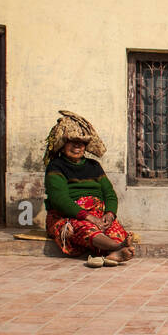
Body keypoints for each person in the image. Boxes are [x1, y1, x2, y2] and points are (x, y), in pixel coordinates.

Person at [42, 110, 136, 267]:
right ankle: (117, 247)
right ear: (63, 145)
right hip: (70, 216)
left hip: (98, 214)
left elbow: (109, 194)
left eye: (81, 143)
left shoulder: (94, 166)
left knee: (115, 230)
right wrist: (89, 217)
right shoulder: (56, 167)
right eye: (72, 142)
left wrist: (109, 214)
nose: (77, 146)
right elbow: (60, 200)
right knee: (85, 229)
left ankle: (114, 255)